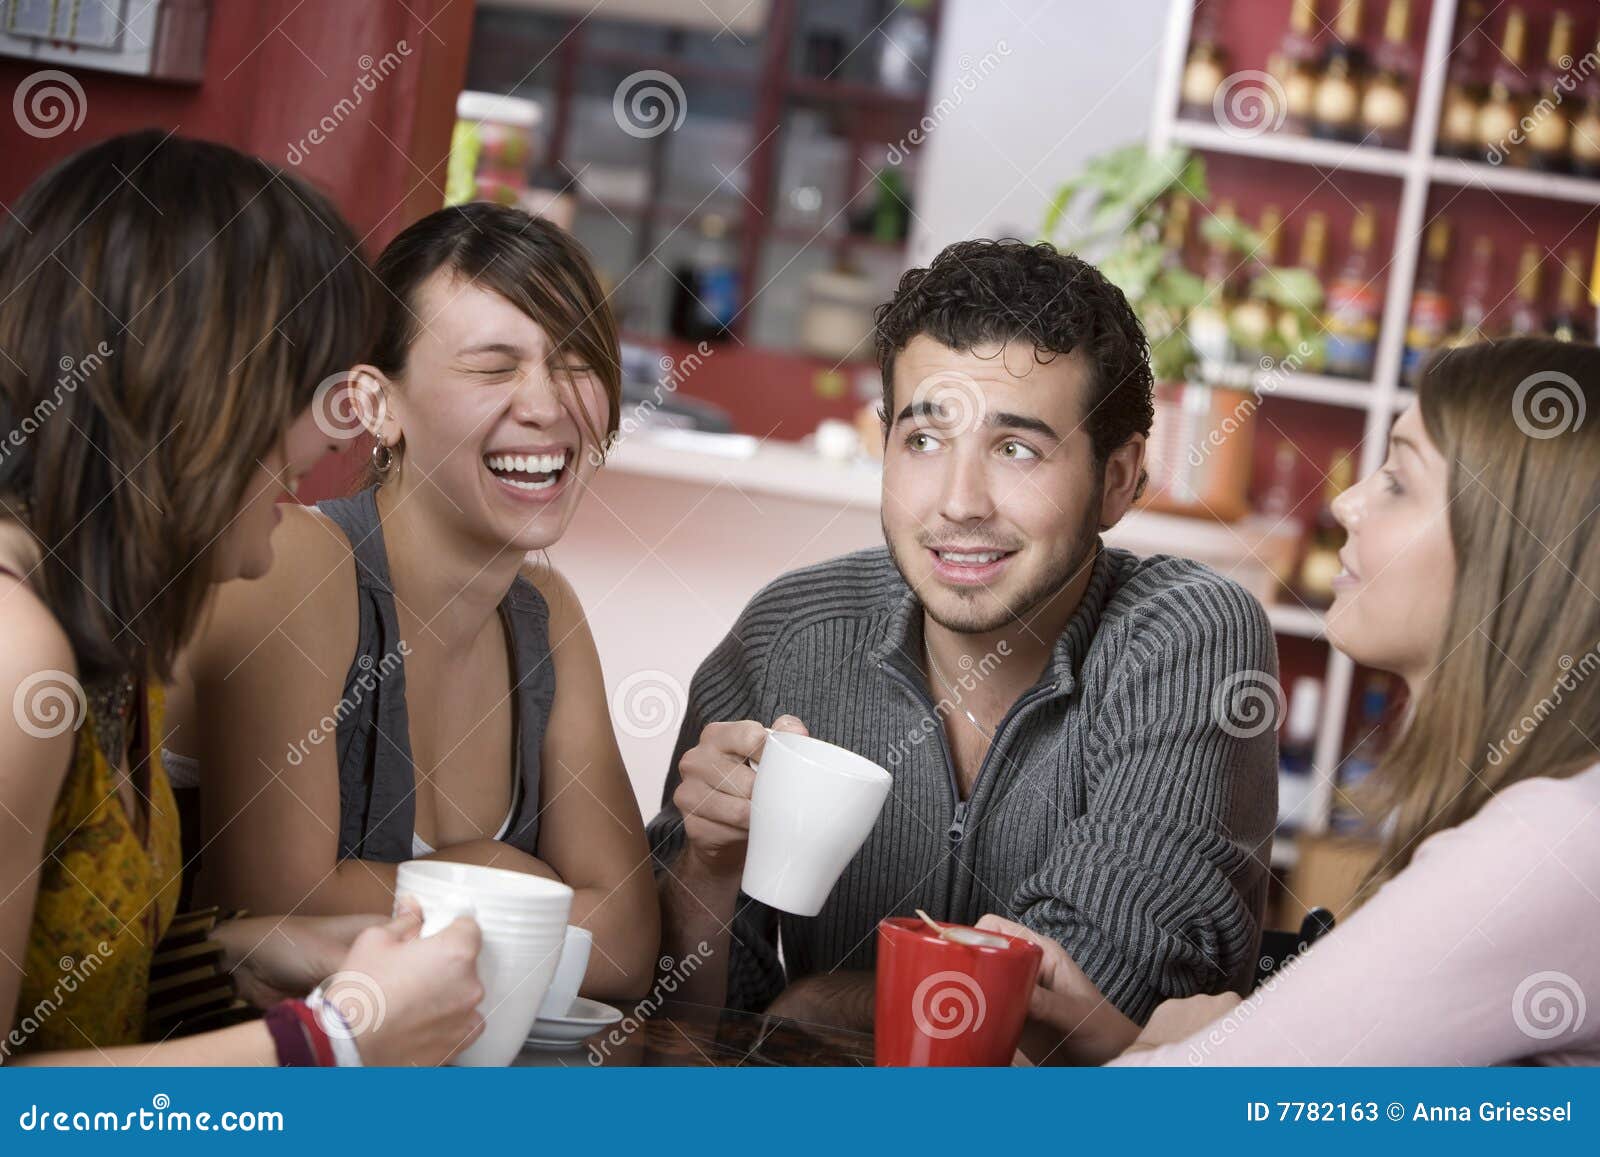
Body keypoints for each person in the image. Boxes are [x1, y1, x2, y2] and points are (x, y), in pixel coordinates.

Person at [648, 238, 1279, 1042]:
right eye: (924, 440)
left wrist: (810, 1007)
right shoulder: (792, 634)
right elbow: (691, 1024)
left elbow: (1070, 1009)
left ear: (1118, 479)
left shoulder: (1189, 639)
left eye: (1016, 448)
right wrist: (705, 869)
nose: (958, 502)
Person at [0, 131, 483, 1065]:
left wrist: (241, 952)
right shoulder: (15, 648)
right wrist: (331, 1041)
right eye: (309, 381)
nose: (336, 431)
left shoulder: (102, 631)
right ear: (195, 386)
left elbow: (55, 995)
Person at [988, 338, 1600, 1066]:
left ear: (1518, 552)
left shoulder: (1551, 843)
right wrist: (1139, 1039)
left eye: (1400, 481)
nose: (1346, 500)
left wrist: (1181, 1057)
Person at [169, 203, 659, 1002]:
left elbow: (629, 948)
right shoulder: (298, 563)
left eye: (574, 361)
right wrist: (503, 873)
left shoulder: (544, 615)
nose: (546, 405)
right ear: (374, 404)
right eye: (494, 367)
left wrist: (404, 889)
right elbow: (280, 912)